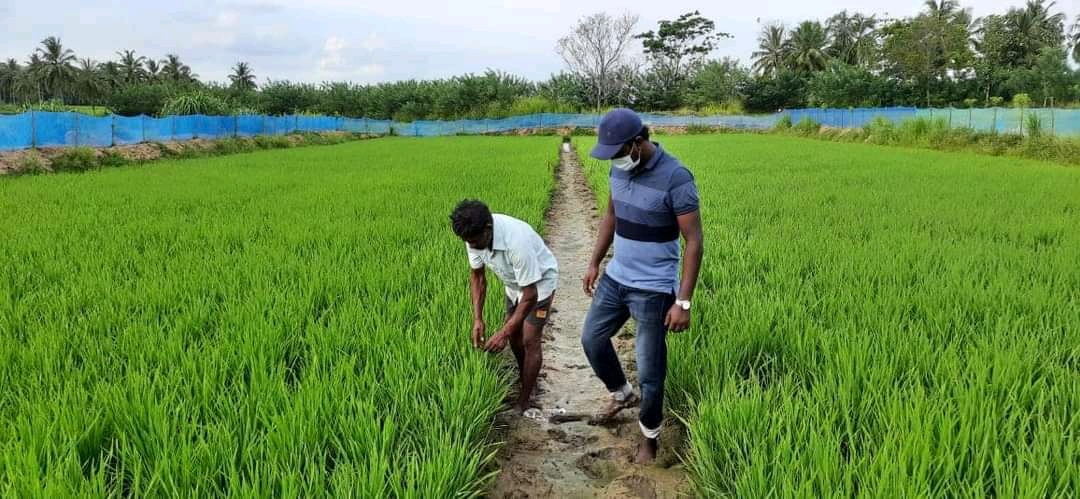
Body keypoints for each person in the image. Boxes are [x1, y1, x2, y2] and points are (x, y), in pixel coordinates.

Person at [580, 108, 704, 463]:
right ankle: (621, 392)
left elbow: (693, 241)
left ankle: (649, 437)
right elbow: (611, 215)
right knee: (591, 339)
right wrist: (594, 261)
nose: (614, 160)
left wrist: (683, 302)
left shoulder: (676, 176)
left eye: (618, 152)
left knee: (651, 371)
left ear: (638, 143)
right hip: (616, 277)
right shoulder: (619, 169)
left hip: (652, 289)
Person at [451, 199, 559, 415]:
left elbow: (530, 294)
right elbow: (478, 277)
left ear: (488, 229)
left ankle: (525, 400)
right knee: (515, 337)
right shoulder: (473, 235)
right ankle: (527, 380)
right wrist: (478, 319)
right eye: (467, 242)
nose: (471, 246)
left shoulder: (516, 241)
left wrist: (502, 332)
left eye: (474, 241)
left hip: (539, 284)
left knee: (529, 338)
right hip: (513, 283)